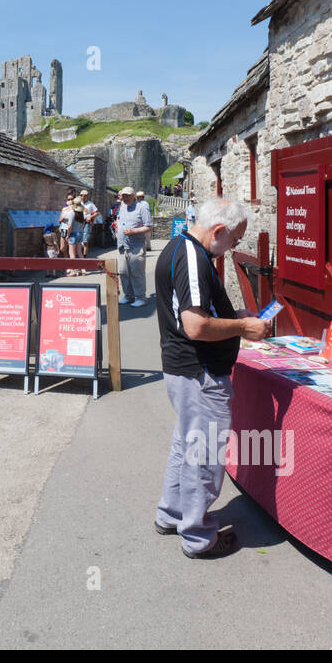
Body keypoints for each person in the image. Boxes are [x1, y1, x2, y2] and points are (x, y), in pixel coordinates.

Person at [153, 198, 270, 558]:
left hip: (188, 371)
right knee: (203, 453)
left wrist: (232, 314)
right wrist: (243, 327)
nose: (234, 247)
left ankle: (172, 514)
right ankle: (198, 535)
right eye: (234, 240)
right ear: (218, 230)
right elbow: (196, 325)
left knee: (187, 445)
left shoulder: (186, 249)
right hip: (199, 371)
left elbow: (197, 311)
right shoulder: (191, 256)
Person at [114, 187, 150, 307]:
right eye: (123, 195)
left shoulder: (142, 208)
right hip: (122, 245)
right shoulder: (122, 207)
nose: (125, 198)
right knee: (123, 272)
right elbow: (119, 219)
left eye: (127, 195)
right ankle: (128, 296)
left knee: (136, 273)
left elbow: (149, 226)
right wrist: (117, 229)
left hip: (136, 245)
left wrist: (133, 231)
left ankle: (140, 297)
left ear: (133, 195)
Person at [78, 189, 99, 264]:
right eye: (81, 196)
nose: (83, 197)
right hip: (79, 222)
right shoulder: (78, 203)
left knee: (85, 240)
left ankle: (84, 256)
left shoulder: (90, 204)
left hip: (87, 222)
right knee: (78, 239)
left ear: (87, 197)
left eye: (85, 196)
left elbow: (97, 213)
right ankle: (79, 255)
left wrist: (91, 217)